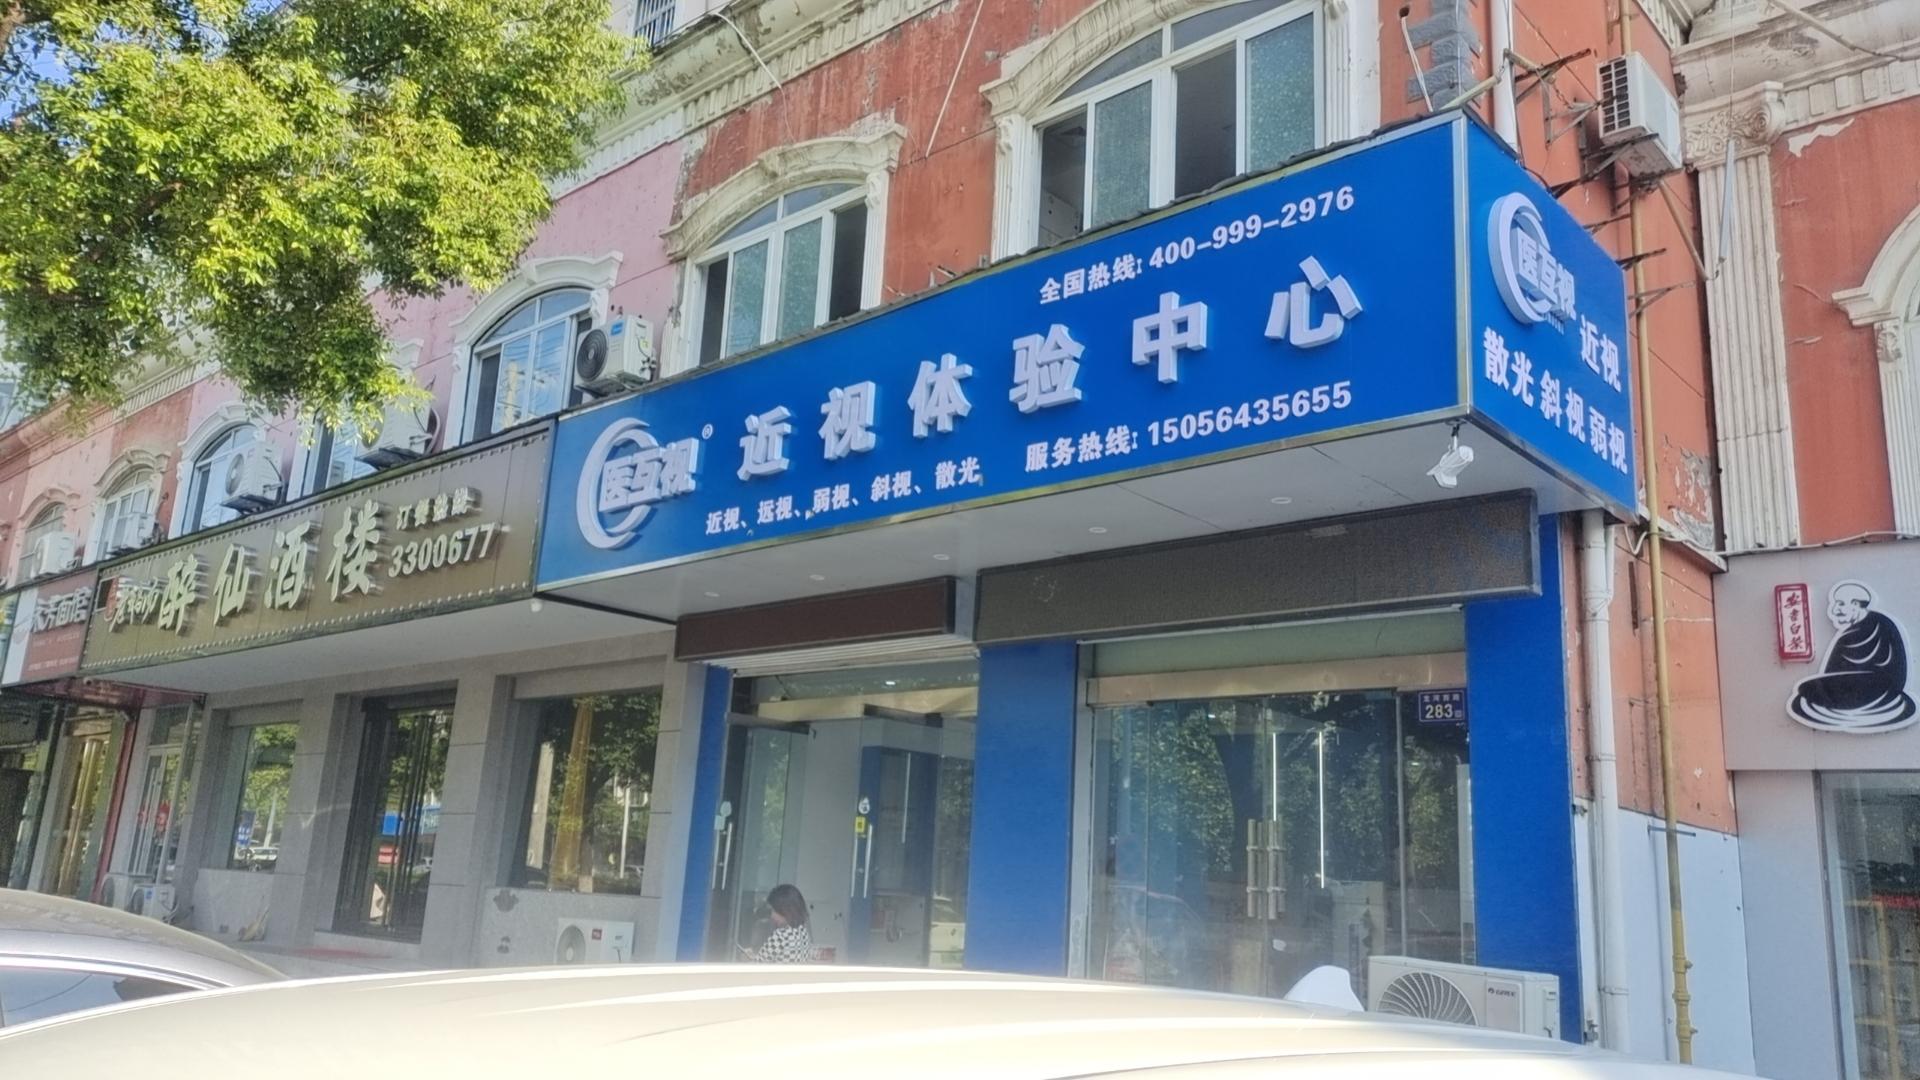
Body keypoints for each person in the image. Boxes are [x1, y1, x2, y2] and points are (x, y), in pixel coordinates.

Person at [1790, 580, 1916, 732]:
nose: (1835, 609)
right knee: (1808, 690)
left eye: (1841, 604)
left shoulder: (1882, 626)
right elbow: (1833, 676)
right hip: (1861, 691)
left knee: (1811, 695)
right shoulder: (1849, 634)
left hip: (1882, 689)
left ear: (1856, 604)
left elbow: (1895, 674)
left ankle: (1841, 710)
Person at [743, 883, 815, 963]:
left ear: (786, 910)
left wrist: (746, 958)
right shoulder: (803, 931)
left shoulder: (781, 936)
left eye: (774, 910)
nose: (772, 915)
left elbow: (757, 965)